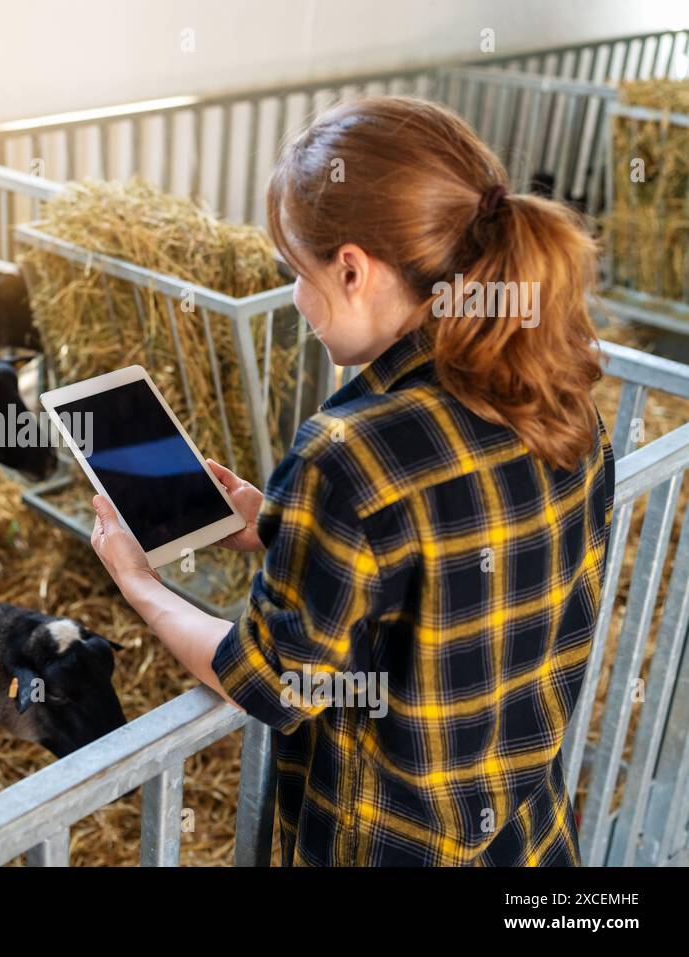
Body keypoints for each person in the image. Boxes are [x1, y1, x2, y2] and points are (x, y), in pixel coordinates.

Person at [89, 96, 615, 866]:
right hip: (525, 840)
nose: (299, 300)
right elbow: (440, 556)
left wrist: (142, 586)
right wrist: (273, 523)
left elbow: (274, 683)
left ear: (351, 268)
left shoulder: (349, 452)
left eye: (296, 273)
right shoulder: (557, 394)